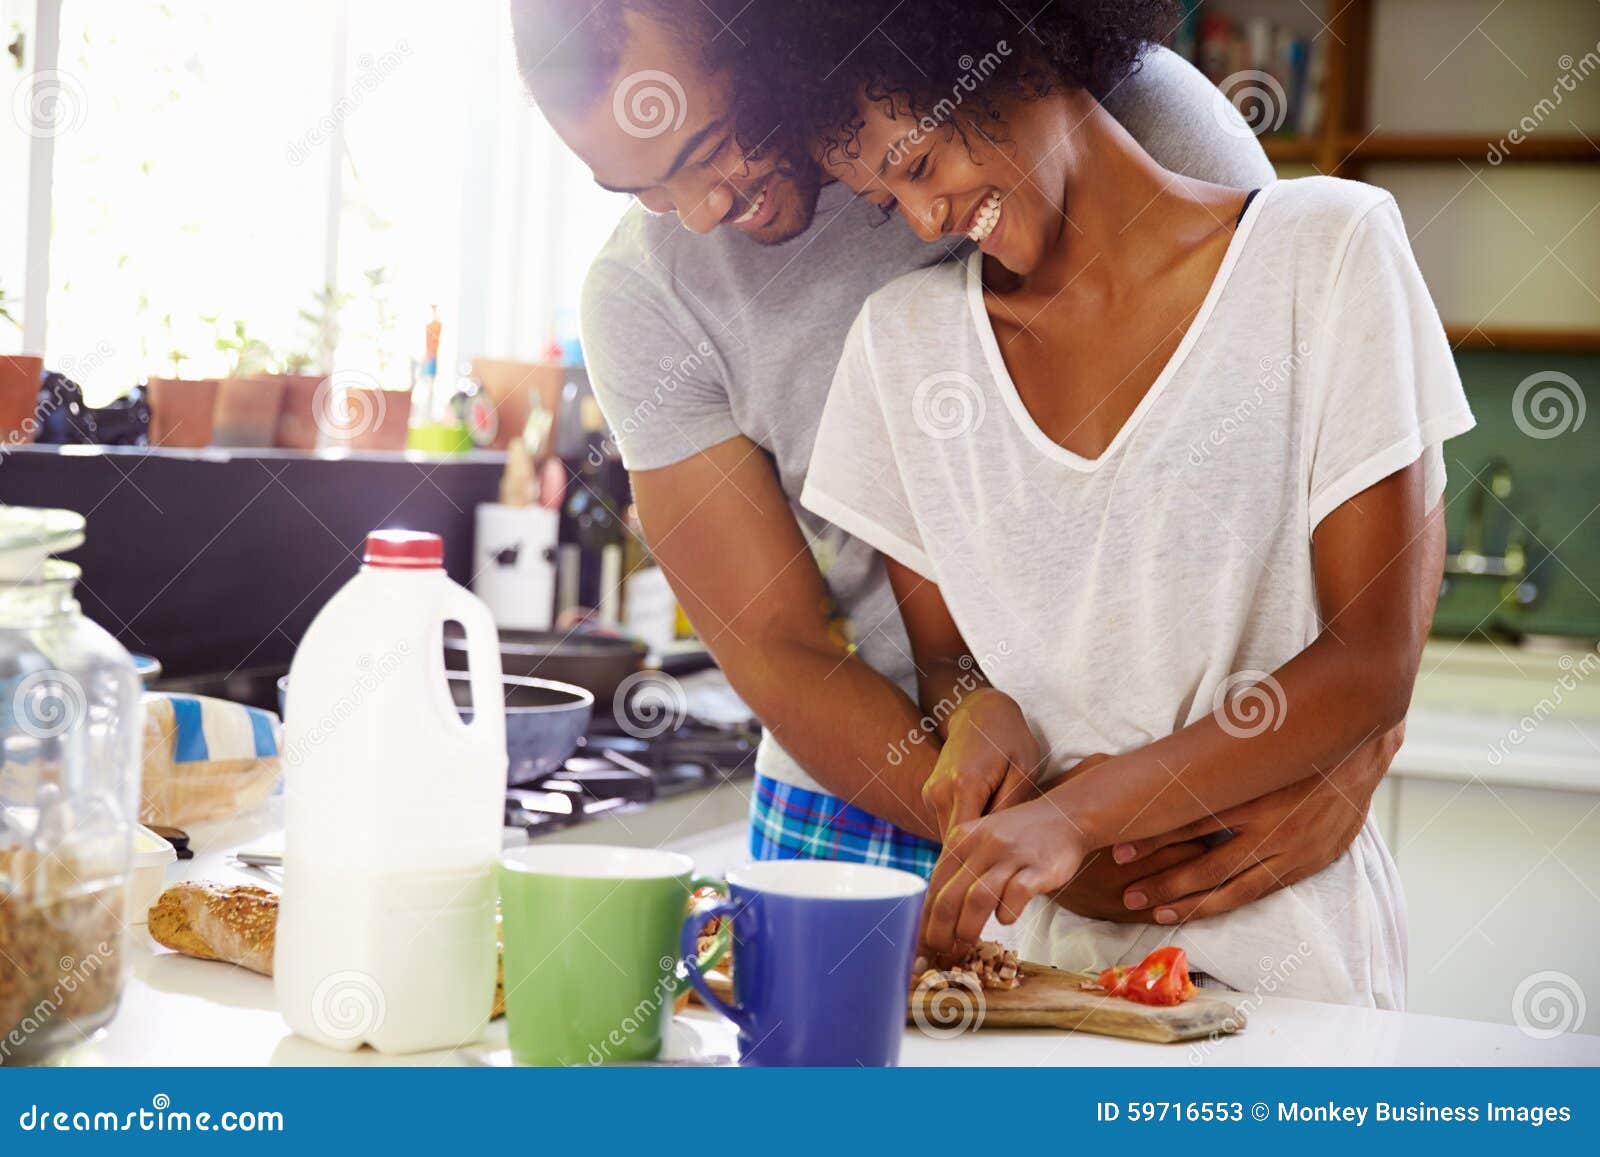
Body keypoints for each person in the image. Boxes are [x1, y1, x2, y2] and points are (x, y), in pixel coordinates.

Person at [508, 0, 1440, 936]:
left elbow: (1330, 437)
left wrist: (1355, 749)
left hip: (1171, 801)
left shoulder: (1132, 104)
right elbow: (772, 644)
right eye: (642, 189)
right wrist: (1015, 831)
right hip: (871, 805)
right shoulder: (647, 297)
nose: (701, 212)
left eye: (705, 145)